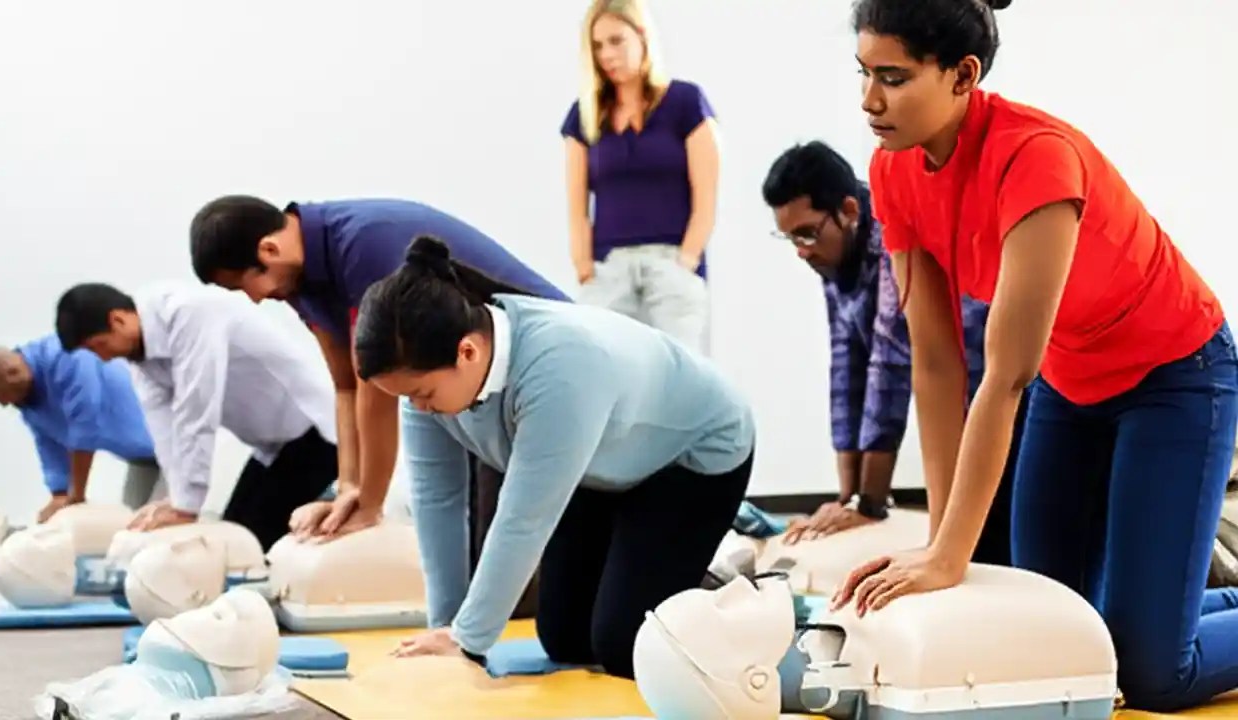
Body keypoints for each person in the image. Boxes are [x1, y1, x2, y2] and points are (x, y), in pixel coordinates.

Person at [832, 0, 1238, 712]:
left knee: (1151, 674)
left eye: (893, 78)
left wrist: (951, 556)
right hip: (1070, 384)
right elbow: (936, 364)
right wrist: (939, 545)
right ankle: (1168, 606)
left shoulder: (1035, 157)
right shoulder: (893, 169)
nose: (870, 99)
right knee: (1058, 637)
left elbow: (1006, 374)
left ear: (962, 75)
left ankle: (1168, 618)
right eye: (863, 73)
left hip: (1176, 378)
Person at [352, 235, 755, 680]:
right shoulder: (426, 385)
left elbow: (524, 518)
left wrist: (468, 640)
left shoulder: (559, 366)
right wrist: (445, 629)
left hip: (690, 457)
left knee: (626, 647)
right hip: (603, 465)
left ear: (467, 351)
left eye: (422, 394)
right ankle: (666, 572)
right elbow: (438, 500)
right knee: (567, 639)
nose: (417, 407)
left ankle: (722, 587)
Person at [188, 196, 568, 544]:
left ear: (269, 250)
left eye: (243, 286)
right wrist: (348, 488)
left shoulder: (362, 242)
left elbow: (375, 383)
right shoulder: (297, 282)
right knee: (464, 533)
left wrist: (370, 504)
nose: (255, 300)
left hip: (546, 362)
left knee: (513, 540)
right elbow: (346, 386)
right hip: (471, 386)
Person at [758, 140, 1027, 565]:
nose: (802, 250)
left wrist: (868, 504)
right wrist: (847, 499)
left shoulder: (889, 230)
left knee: (996, 536)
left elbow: (891, 361)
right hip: (960, 398)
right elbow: (846, 366)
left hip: (1003, 388)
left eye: (807, 233)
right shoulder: (834, 256)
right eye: (791, 238)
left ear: (848, 211)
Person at [53, 281, 339, 551]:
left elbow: (196, 412)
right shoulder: (140, 355)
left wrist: (186, 507)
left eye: (99, 346)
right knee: (234, 533)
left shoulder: (188, 314)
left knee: (249, 544)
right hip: (273, 447)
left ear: (118, 320)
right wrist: (176, 499)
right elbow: (164, 429)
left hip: (317, 429)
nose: (103, 358)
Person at [562, 0, 721, 354]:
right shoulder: (584, 116)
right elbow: (576, 207)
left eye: (616, 41)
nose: (607, 55)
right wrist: (585, 269)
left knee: (680, 372)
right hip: (609, 272)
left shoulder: (685, 103)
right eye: (597, 45)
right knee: (604, 368)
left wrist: (686, 262)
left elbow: (706, 198)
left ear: (642, 36)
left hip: (671, 265)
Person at [0, 336, 162, 523]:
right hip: (143, 460)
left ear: (13, 374)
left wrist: (76, 496)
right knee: (133, 527)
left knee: (157, 525)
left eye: (1, 395)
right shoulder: (27, 395)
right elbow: (48, 443)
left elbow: (85, 427)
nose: (3, 404)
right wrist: (59, 494)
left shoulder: (69, 354)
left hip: (174, 446)